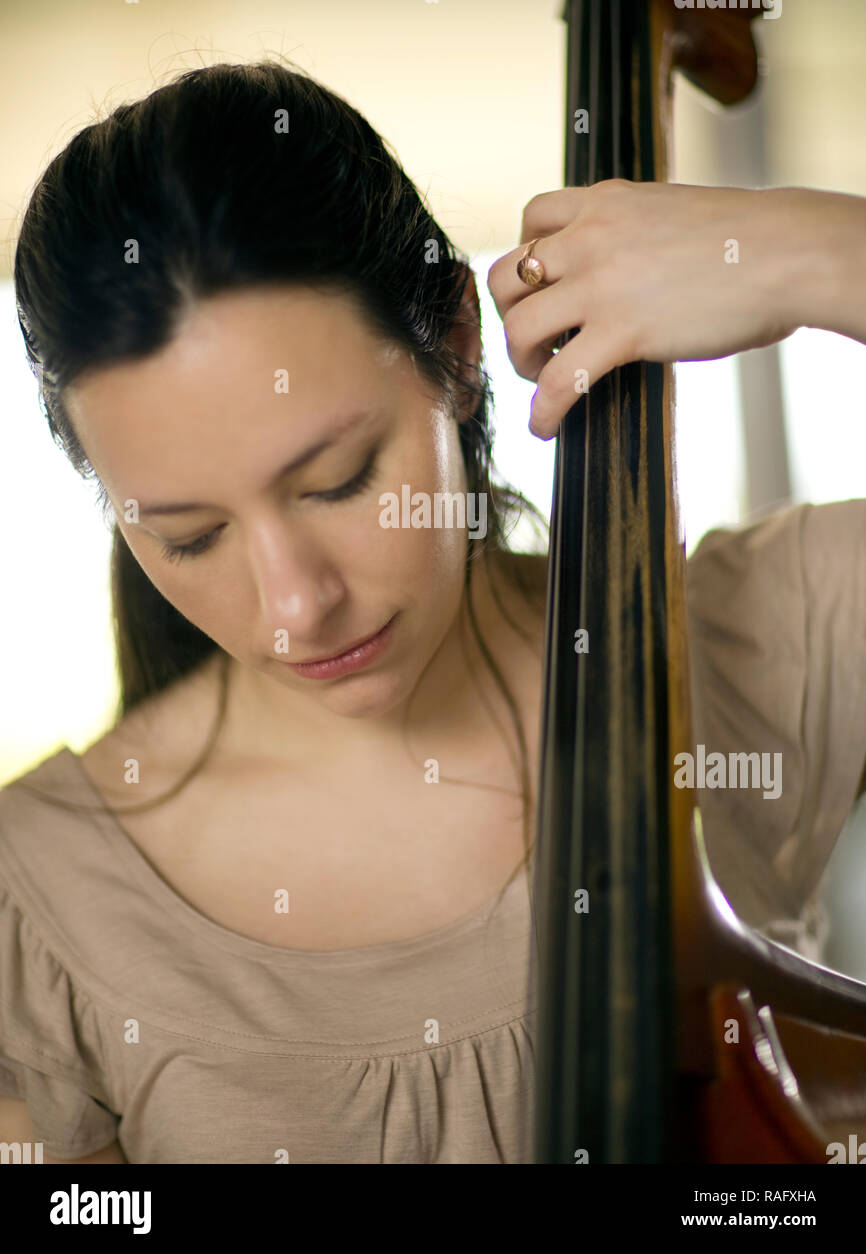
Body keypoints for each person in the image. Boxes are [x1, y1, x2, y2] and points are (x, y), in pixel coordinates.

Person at [0, 62, 863, 1164]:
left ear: (455, 346)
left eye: (339, 480)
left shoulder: (744, 637)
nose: (296, 606)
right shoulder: (38, 899)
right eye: (190, 535)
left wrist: (804, 252)